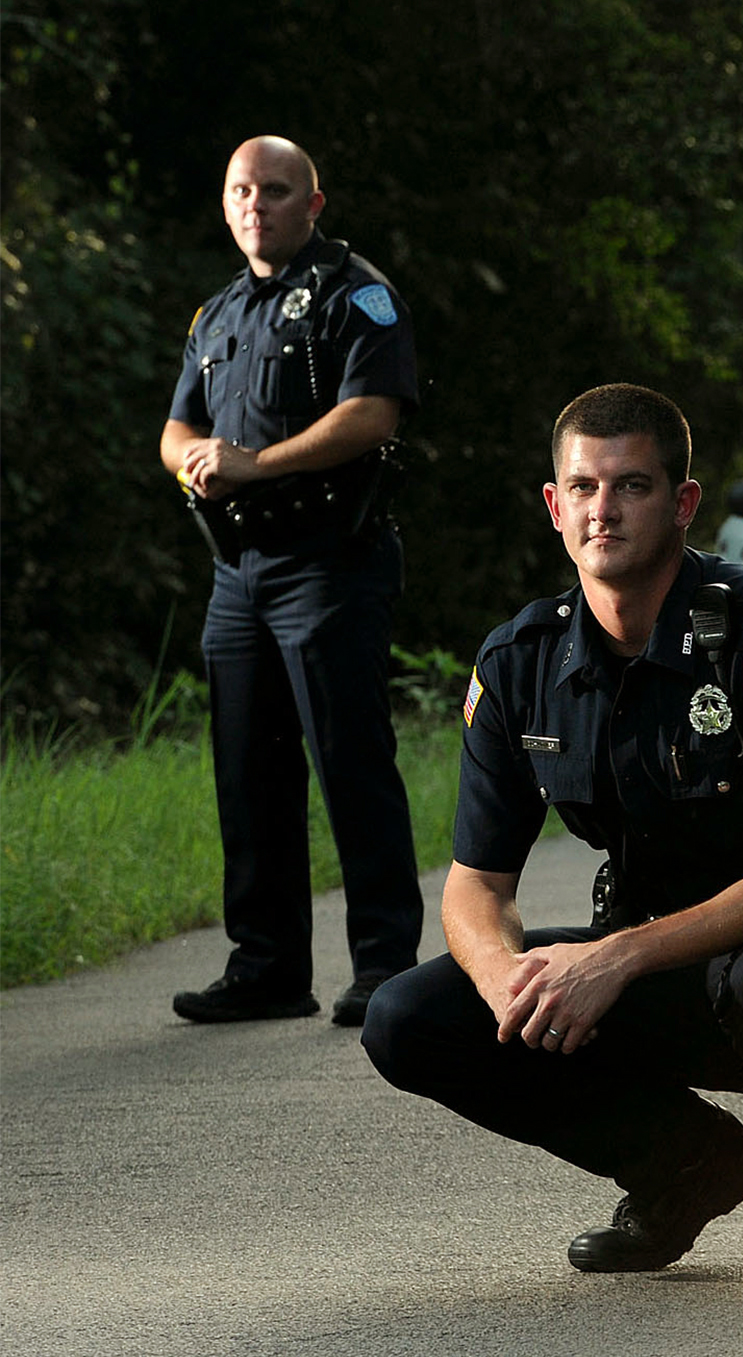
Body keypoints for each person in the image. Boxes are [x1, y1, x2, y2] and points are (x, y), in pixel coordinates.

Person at [362, 383, 743, 1282]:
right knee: (407, 1016)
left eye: (632, 486)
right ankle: (682, 1166)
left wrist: (614, 958)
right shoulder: (521, 663)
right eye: (585, 488)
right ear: (555, 506)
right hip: (670, 958)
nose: (605, 510)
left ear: (683, 503)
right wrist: (508, 986)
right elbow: (476, 888)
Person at [161, 136, 424, 1027]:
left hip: (329, 561)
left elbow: (372, 413)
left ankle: (385, 964)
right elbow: (176, 427)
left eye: (275, 191)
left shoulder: (358, 294)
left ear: (313, 203)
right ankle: (268, 967)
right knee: (248, 771)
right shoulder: (220, 312)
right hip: (238, 574)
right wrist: (194, 461)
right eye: (241, 189)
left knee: (351, 764)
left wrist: (254, 462)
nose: (255, 205)